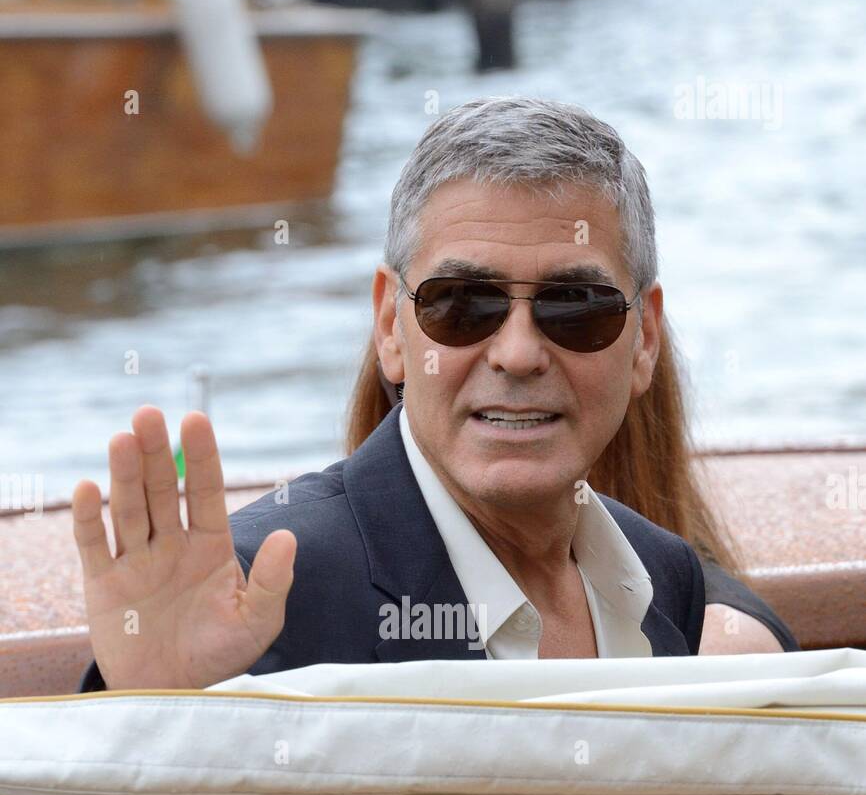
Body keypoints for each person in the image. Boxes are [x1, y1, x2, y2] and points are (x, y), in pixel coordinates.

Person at [73, 97, 795, 693]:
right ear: (391, 325)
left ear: (644, 340)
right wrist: (146, 708)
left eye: (575, 305)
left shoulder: (660, 577)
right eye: (462, 304)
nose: (516, 354)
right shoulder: (266, 595)